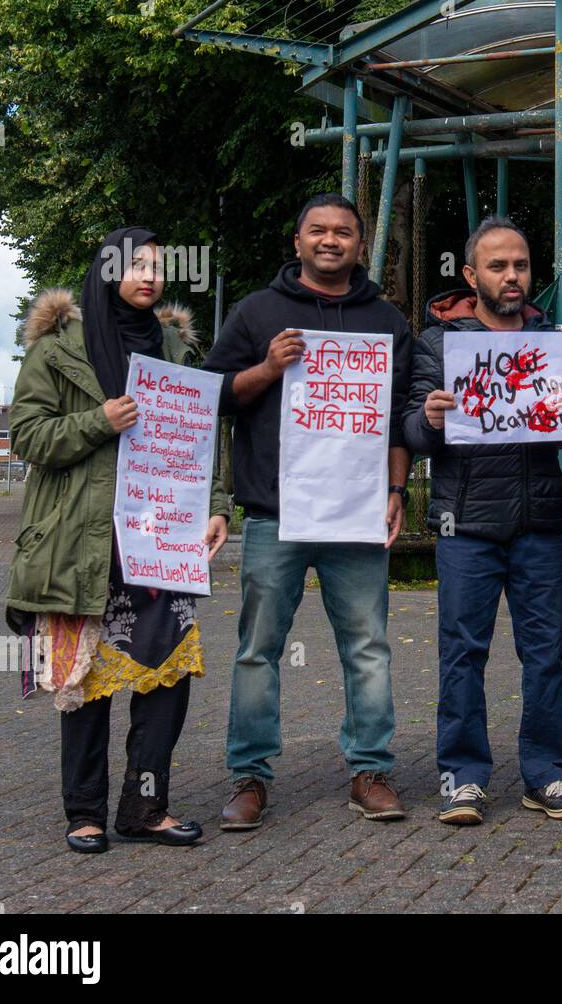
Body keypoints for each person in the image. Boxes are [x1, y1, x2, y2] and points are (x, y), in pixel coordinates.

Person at [7, 228, 230, 853]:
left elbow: (200, 439)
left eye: (159, 266)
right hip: (83, 546)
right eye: (136, 265)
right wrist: (96, 421)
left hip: (161, 541)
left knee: (166, 677)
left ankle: (145, 808)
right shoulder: (58, 346)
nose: (150, 275)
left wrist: (215, 508)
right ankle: (84, 813)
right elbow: (28, 435)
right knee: (84, 681)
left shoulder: (170, 347)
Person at [203, 193, 414, 829]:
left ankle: (370, 770)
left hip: (355, 514)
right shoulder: (256, 311)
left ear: (359, 242)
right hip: (274, 513)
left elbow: (400, 416)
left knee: (369, 646)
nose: (330, 241)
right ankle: (249, 776)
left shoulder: (386, 320)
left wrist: (397, 490)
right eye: (317, 231)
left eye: (343, 232)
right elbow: (213, 397)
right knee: (257, 649)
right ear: (297, 242)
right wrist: (267, 367)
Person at [403, 216, 562, 825]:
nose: (512, 277)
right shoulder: (438, 345)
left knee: (546, 654)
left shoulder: (553, 340)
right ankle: (462, 776)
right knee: (462, 653)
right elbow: (408, 430)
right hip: (466, 528)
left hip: (539, 522)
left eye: (520, 266)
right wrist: (429, 419)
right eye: (498, 266)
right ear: (470, 275)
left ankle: (546, 773)